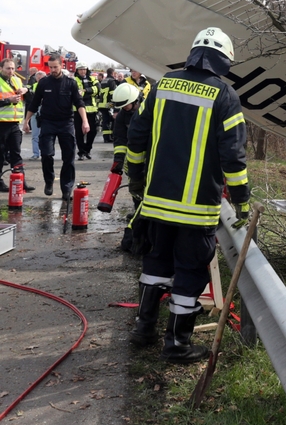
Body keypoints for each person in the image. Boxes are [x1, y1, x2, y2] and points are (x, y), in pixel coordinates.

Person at [125, 27, 250, 364]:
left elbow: (137, 136)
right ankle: (177, 345)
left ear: (193, 53)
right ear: (222, 61)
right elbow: (233, 156)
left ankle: (143, 327)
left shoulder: (161, 85)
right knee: (191, 271)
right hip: (196, 209)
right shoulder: (224, 95)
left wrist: (135, 178)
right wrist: (242, 198)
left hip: (156, 201)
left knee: (155, 263)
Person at [23, 57, 88, 199]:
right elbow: (34, 104)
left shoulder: (70, 83)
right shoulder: (43, 83)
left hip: (66, 123)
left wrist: (85, 121)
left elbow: (79, 103)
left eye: (55, 67)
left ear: (61, 66)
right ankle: (49, 181)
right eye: (50, 67)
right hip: (48, 123)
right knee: (46, 154)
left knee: (69, 157)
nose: (52, 70)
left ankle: (66, 188)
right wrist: (26, 121)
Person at [109, 82, 144, 252]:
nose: (123, 109)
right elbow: (120, 139)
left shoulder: (147, 111)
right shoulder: (123, 116)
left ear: (135, 101)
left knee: (147, 199)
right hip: (132, 163)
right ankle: (137, 213)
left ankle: (135, 235)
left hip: (149, 162)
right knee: (136, 193)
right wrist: (118, 160)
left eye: (126, 105)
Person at [0, 59, 35, 193]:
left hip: (14, 123)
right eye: (8, 68)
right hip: (1, 123)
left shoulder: (16, 80)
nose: (11, 71)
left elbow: (30, 93)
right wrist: (8, 100)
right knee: (0, 154)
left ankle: (21, 180)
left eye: (13, 68)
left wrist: (26, 90)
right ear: (1, 68)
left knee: (16, 153)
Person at [73, 66, 99, 159]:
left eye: (84, 69)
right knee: (79, 132)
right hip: (78, 110)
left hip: (91, 109)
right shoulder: (74, 80)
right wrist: (90, 91)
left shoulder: (93, 79)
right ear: (77, 71)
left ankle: (87, 150)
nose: (83, 71)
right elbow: (74, 92)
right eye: (80, 69)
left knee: (92, 132)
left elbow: (97, 89)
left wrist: (85, 91)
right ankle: (81, 152)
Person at [27, 70, 46, 159]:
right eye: (38, 78)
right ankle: (36, 154)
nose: (39, 79)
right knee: (35, 135)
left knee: (46, 134)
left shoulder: (49, 86)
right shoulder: (33, 86)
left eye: (41, 78)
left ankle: (45, 153)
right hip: (35, 111)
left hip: (46, 112)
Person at [99, 67, 118, 143]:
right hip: (108, 104)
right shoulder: (112, 81)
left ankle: (106, 137)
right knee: (112, 120)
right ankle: (109, 137)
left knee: (105, 120)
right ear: (113, 73)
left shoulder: (103, 81)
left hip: (102, 104)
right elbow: (112, 94)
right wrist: (114, 105)